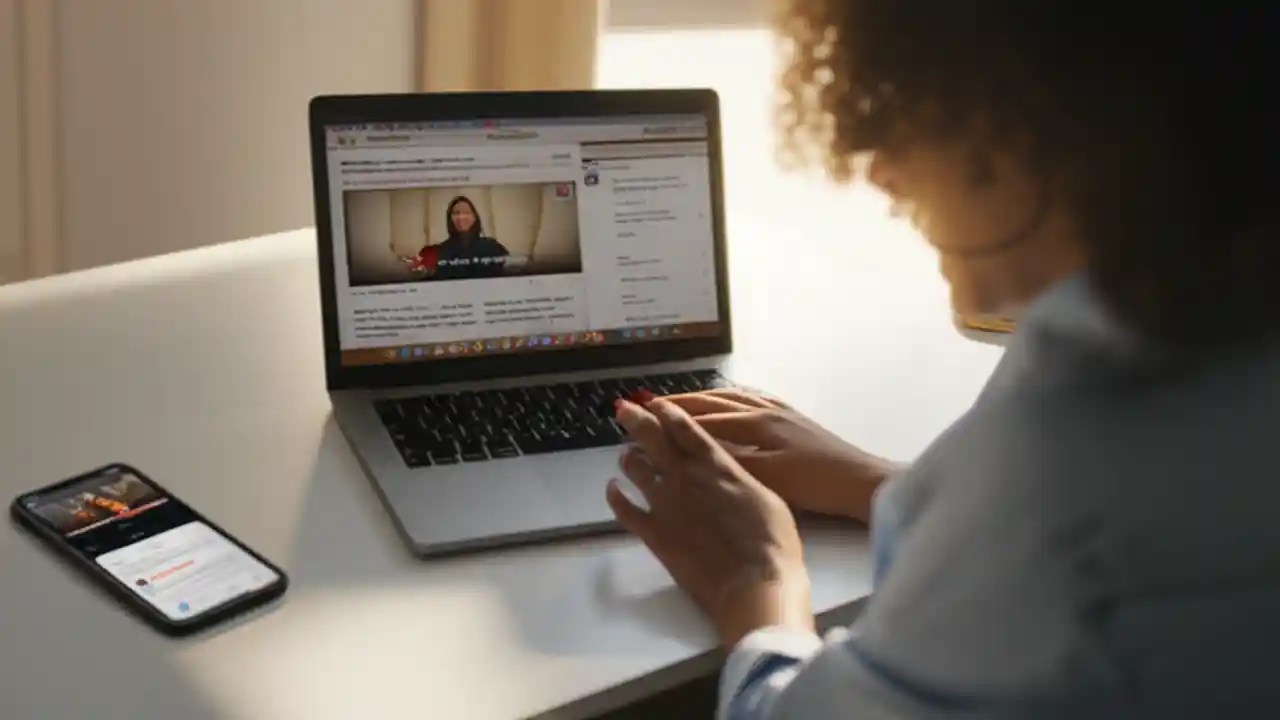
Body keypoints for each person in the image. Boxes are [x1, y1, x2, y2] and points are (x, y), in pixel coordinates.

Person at [606, 3, 1280, 718]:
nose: (884, 169)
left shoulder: (1066, 489)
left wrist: (756, 582)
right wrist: (888, 486)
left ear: (1045, 117)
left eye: (915, 109)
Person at [400, 195, 509, 280]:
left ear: (475, 217)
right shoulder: (436, 252)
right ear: (449, 219)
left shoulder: (492, 246)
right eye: (456, 213)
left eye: (466, 212)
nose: (461, 217)